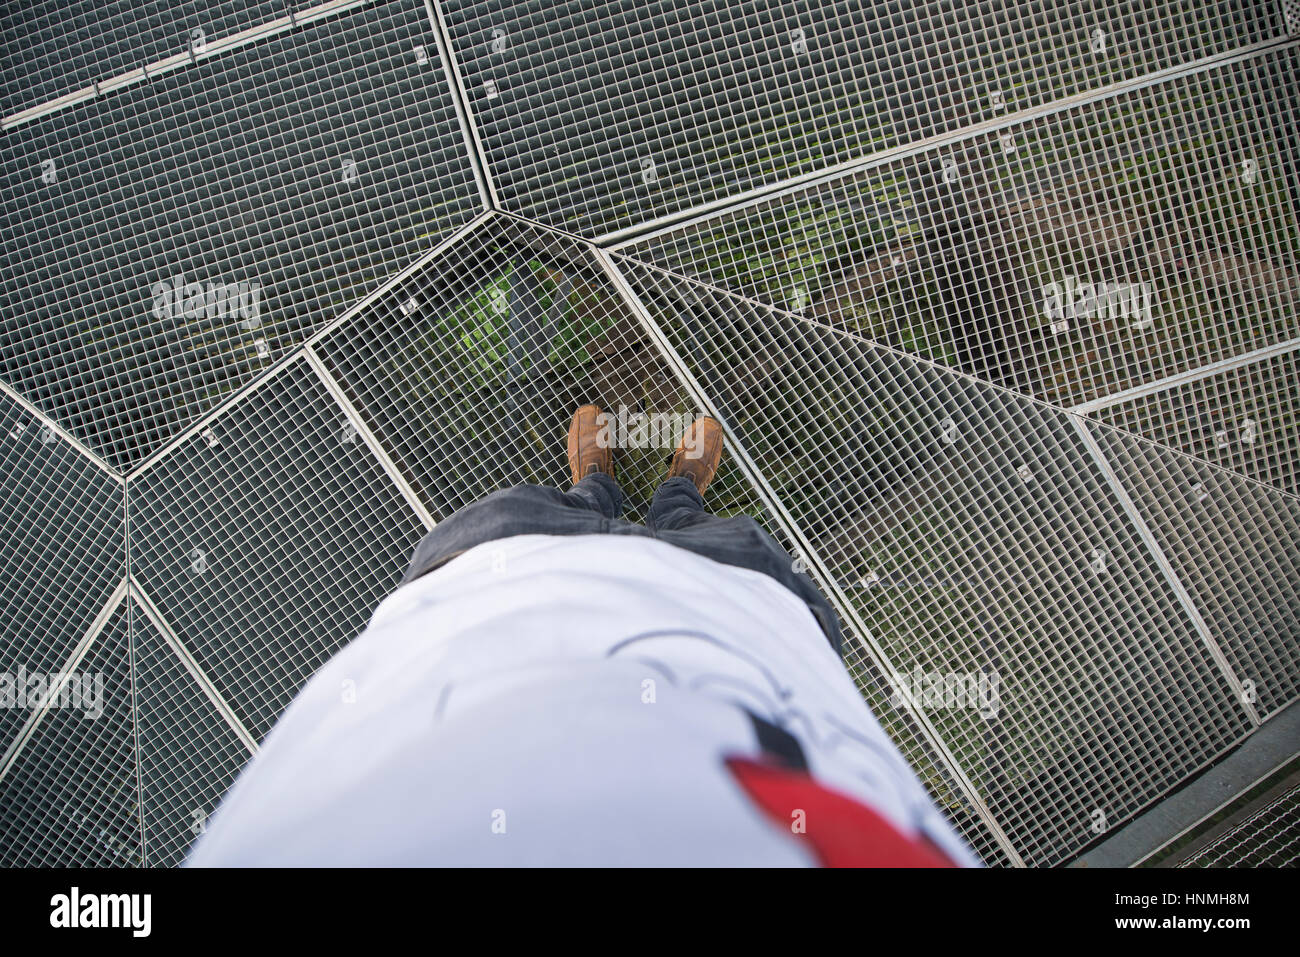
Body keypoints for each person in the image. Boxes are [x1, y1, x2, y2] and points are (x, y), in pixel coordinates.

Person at [187, 405, 978, 866]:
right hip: (737, 604)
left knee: (581, 503)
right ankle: (676, 485)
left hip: (497, 572)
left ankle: (594, 479)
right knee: (687, 521)